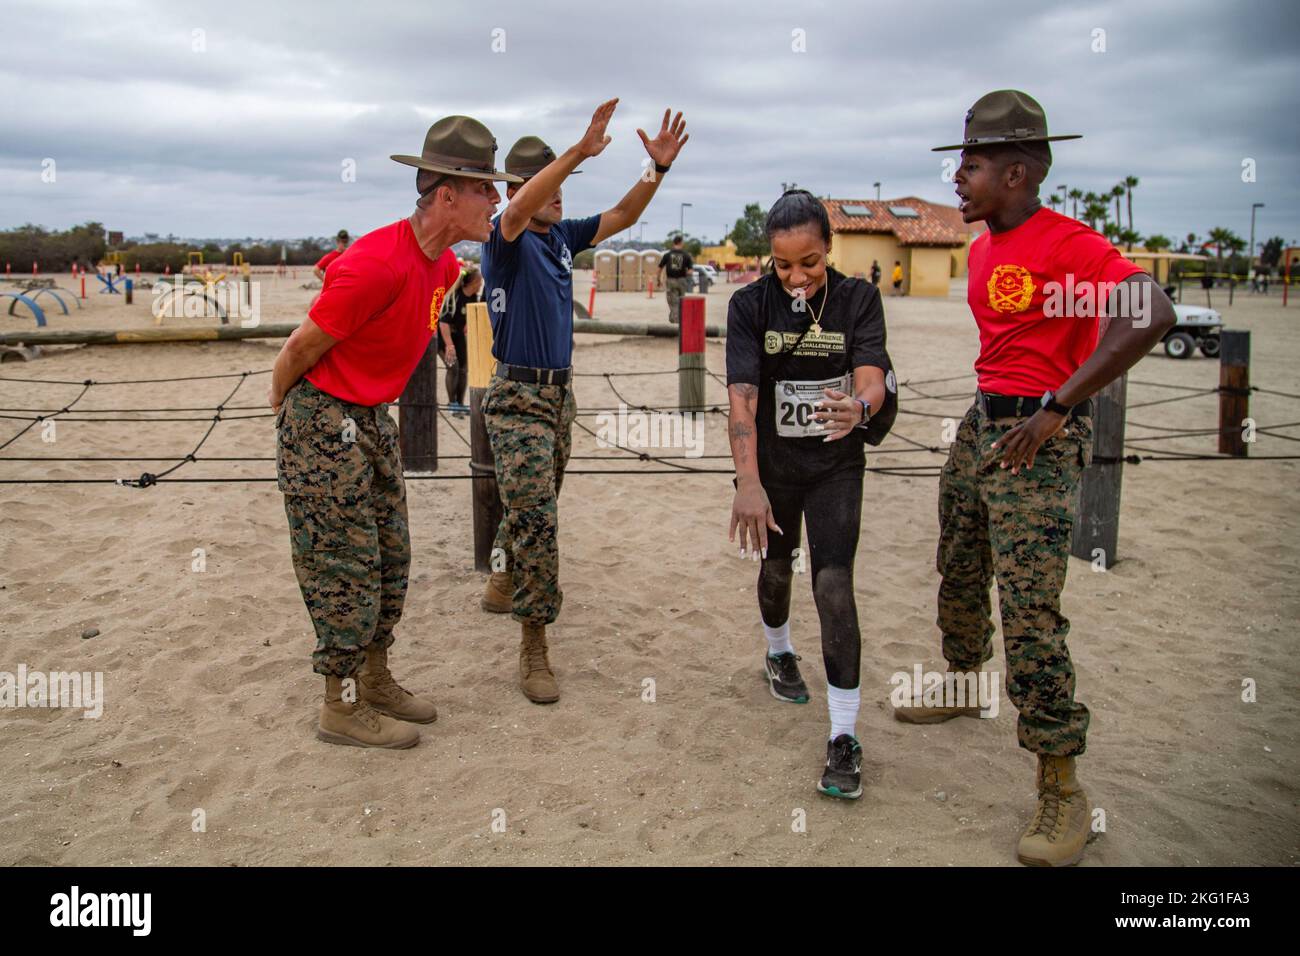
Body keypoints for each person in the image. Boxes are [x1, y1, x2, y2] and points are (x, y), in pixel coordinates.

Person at [906, 90, 1175, 864]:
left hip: (1038, 438)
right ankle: (962, 683)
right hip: (985, 419)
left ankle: (1061, 787)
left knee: (1028, 608)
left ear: (1017, 174)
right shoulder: (987, 243)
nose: (959, 178)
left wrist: (1061, 404)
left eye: (974, 165)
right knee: (958, 561)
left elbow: (1151, 310)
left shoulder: (1072, 245)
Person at [268, 115, 519, 749]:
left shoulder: (440, 269)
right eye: (487, 188)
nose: (497, 199)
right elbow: (300, 349)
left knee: (389, 558)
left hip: (371, 421)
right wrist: (285, 414)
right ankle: (340, 707)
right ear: (447, 197)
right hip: (323, 417)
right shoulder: (375, 262)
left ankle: (375, 679)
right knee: (342, 565)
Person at [479, 101, 689, 704]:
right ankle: (534, 644)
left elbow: (623, 213)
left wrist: (656, 171)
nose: (562, 195)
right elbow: (517, 206)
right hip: (516, 396)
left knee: (533, 509)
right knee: (541, 520)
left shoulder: (563, 238)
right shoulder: (506, 237)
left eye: (567, 185)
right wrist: (577, 151)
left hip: (559, 397)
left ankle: (502, 574)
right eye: (553, 184)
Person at [726, 189, 889, 800]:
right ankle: (779, 651)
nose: (797, 277)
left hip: (835, 466)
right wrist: (748, 483)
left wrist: (861, 406)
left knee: (832, 581)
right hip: (773, 464)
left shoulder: (858, 298)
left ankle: (843, 734)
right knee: (775, 566)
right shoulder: (750, 305)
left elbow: (872, 374)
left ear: (829, 250)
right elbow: (741, 395)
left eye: (810, 262)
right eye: (784, 264)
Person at [439, 266, 483, 415]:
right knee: (453, 367)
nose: (481, 285)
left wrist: (467, 324)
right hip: (445, 338)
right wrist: (449, 346)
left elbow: (468, 315)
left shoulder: (472, 296)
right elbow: (443, 323)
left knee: (464, 369)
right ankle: (452, 403)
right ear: (473, 282)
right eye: (479, 282)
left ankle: (460, 403)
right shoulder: (454, 296)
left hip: (458, 337)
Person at [658, 235, 694, 323]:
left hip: (671, 281)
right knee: (681, 302)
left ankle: (675, 321)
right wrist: (683, 273)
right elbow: (691, 271)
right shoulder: (686, 255)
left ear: (673, 243)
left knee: (673, 302)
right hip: (682, 281)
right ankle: (678, 319)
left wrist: (658, 280)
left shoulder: (667, 255)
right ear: (681, 243)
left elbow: (659, 268)